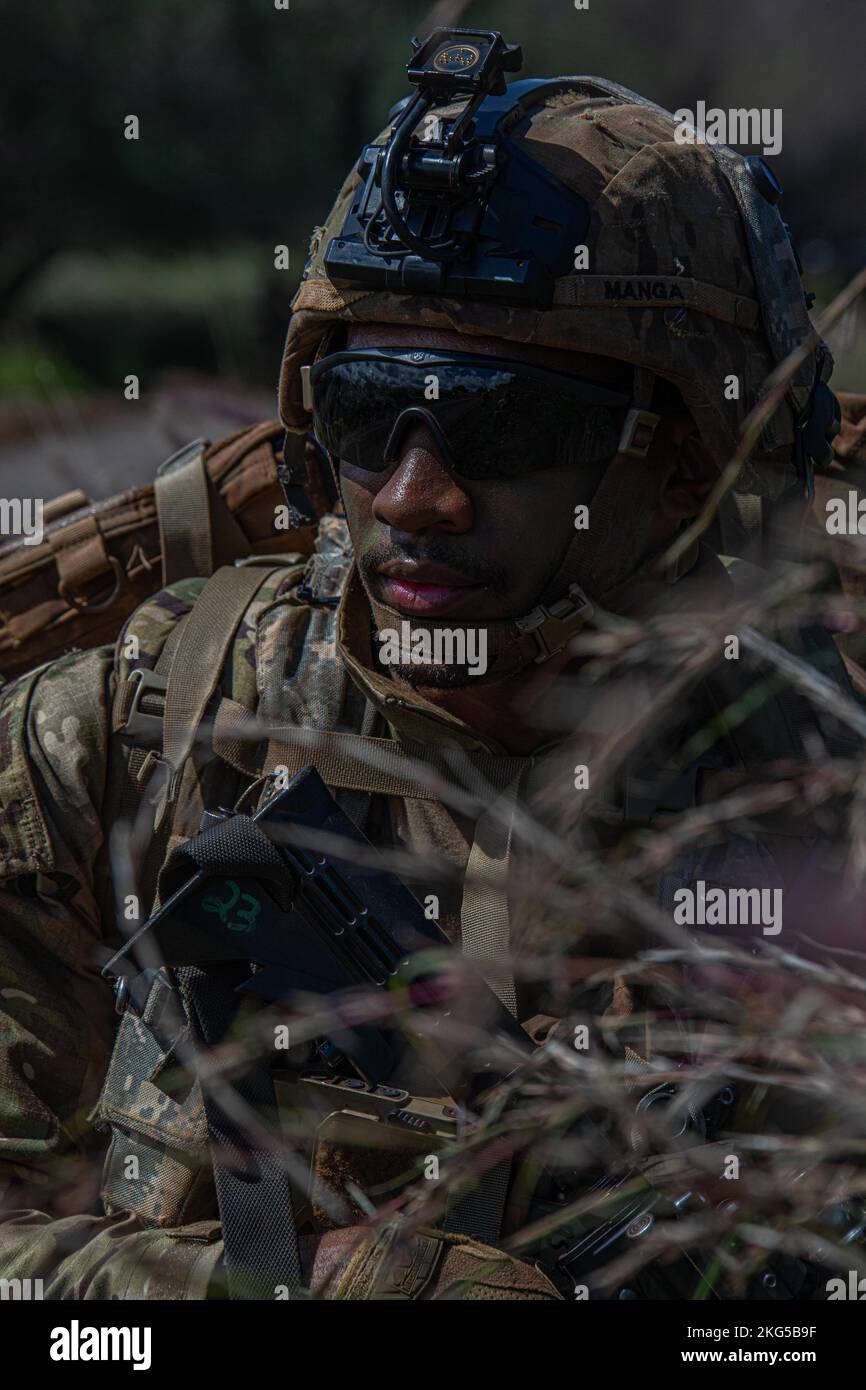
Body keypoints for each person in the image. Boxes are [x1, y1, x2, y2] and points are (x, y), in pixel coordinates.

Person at [0, 42, 858, 1301]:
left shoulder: (817, 812)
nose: (413, 495)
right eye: (363, 412)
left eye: (499, 424)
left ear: (682, 459)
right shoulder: (129, 735)